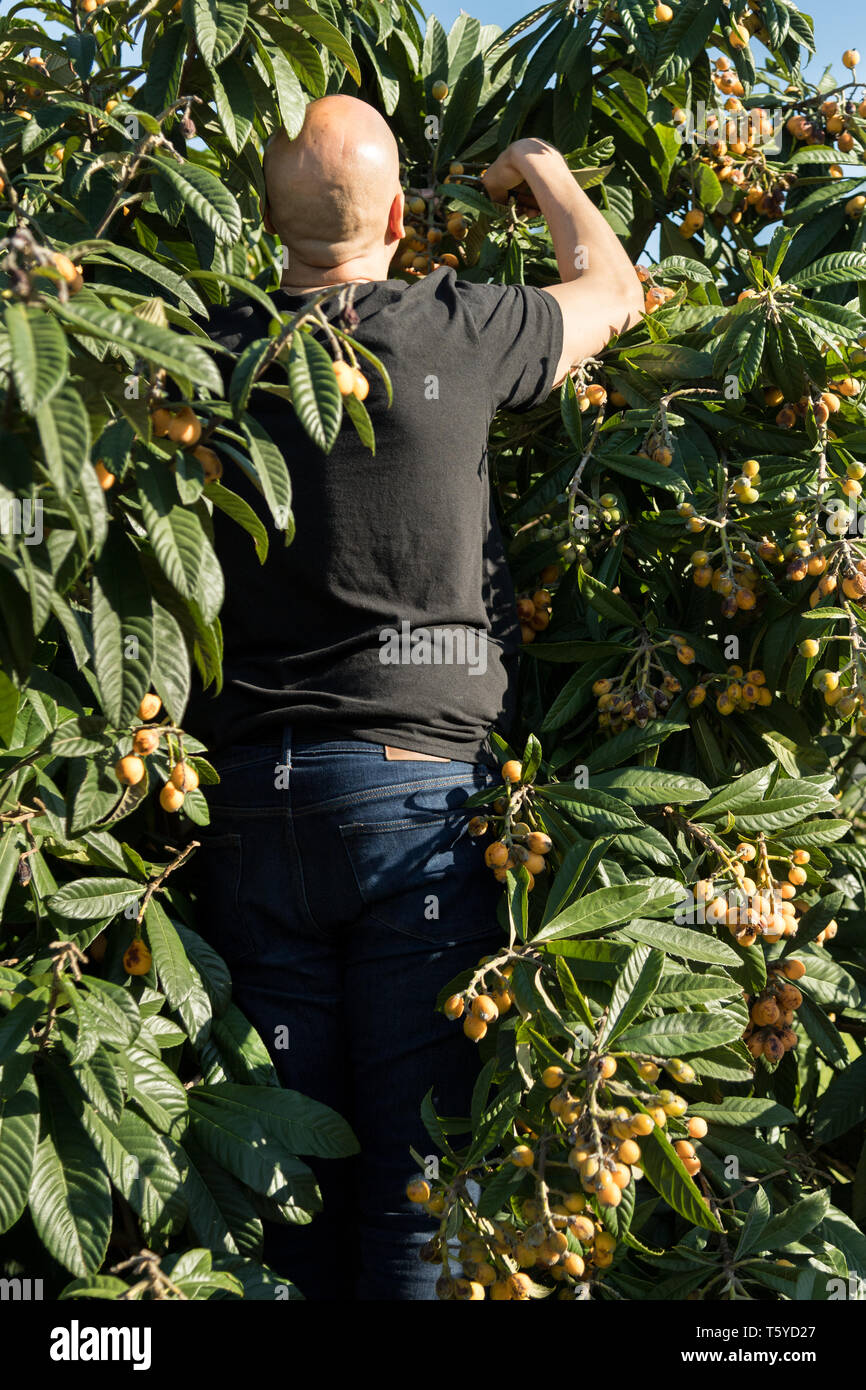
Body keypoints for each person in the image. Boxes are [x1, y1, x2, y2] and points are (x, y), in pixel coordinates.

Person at [180, 95, 643, 1301]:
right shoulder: (460, 331)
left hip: (247, 809)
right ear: (396, 215)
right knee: (418, 1180)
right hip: (416, 812)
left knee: (287, 1181)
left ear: (267, 227)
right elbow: (613, 291)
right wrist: (543, 171)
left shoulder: (211, 351)